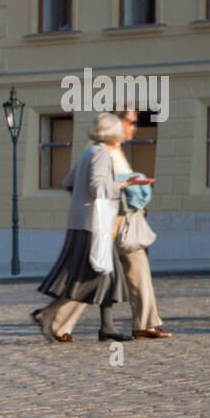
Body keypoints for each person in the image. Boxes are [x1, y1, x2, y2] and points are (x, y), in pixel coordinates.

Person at [34, 112, 153, 342]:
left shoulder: (88, 152)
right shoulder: (102, 155)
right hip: (93, 225)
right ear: (112, 133)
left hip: (82, 221)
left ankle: (106, 326)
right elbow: (98, 186)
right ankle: (46, 313)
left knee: (105, 274)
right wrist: (125, 184)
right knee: (97, 275)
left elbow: (69, 182)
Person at [116, 110, 171, 339]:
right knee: (87, 277)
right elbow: (108, 185)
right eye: (130, 122)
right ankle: (54, 319)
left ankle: (145, 323)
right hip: (115, 221)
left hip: (124, 216)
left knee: (138, 269)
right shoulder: (103, 151)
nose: (134, 127)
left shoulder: (114, 150)